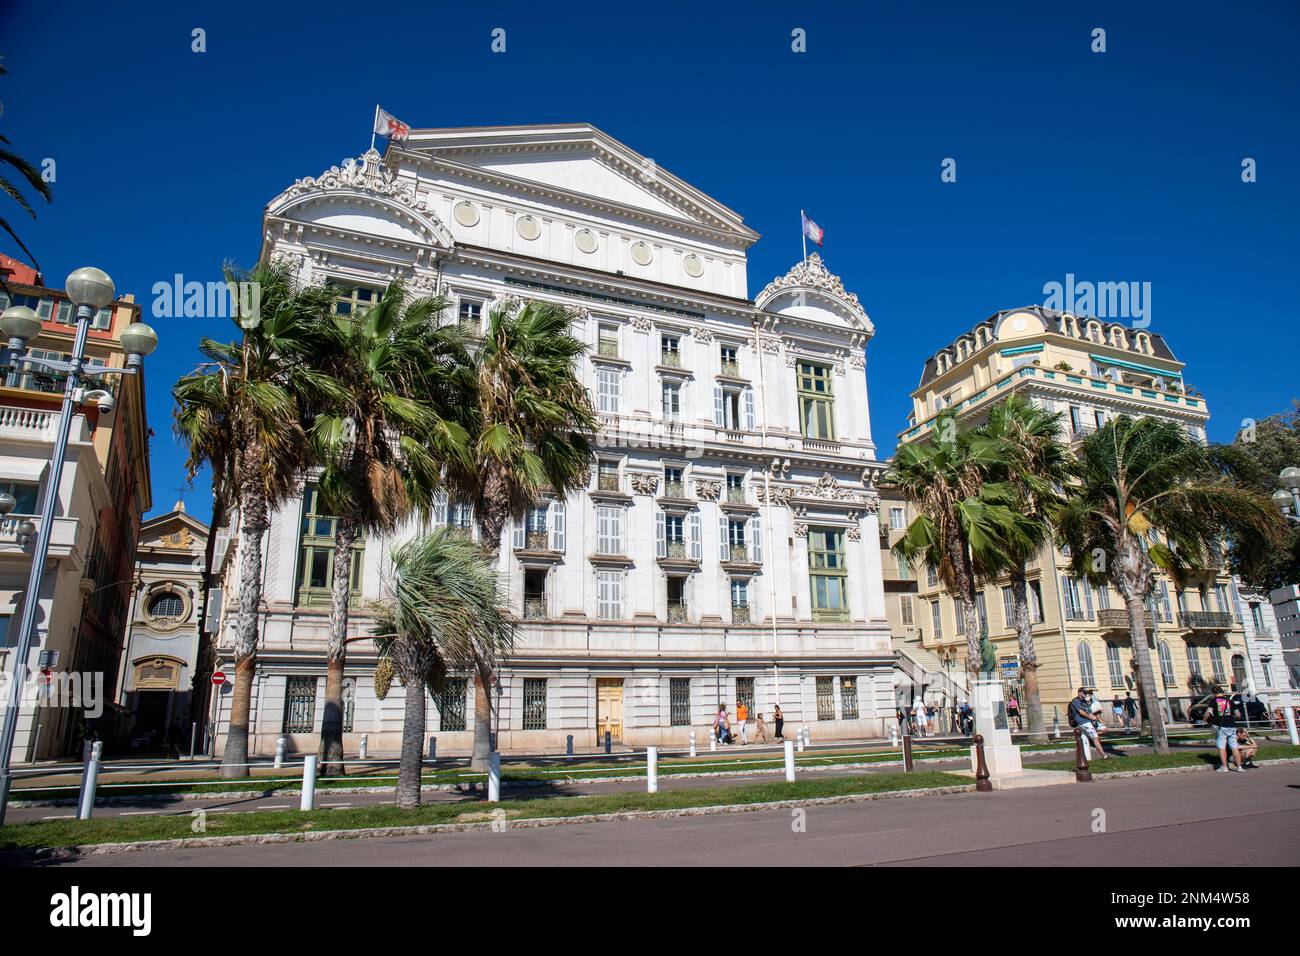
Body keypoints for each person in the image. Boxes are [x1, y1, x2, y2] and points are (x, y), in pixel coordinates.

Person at [1206, 685, 1243, 773]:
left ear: (1213, 693)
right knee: (1234, 747)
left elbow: (1208, 713)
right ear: (1222, 692)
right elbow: (1238, 715)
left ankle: (1224, 767)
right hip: (1232, 726)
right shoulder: (1230, 701)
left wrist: (1205, 719)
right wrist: (1230, 716)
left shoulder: (1213, 701)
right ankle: (1239, 767)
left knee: (1221, 747)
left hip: (1220, 726)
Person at [1070, 686, 1108, 760]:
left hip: (1087, 721)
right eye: (1084, 693)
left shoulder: (1084, 701)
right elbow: (1082, 713)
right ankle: (1104, 755)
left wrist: (1094, 717)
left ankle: (1078, 758)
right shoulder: (1076, 701)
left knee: (1082, 740)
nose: (1086, 694)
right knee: (1095, 737)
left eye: (1086, 693)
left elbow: (1088, 711)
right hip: (1083, 722)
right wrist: (1090, 717)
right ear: (1079, 692)